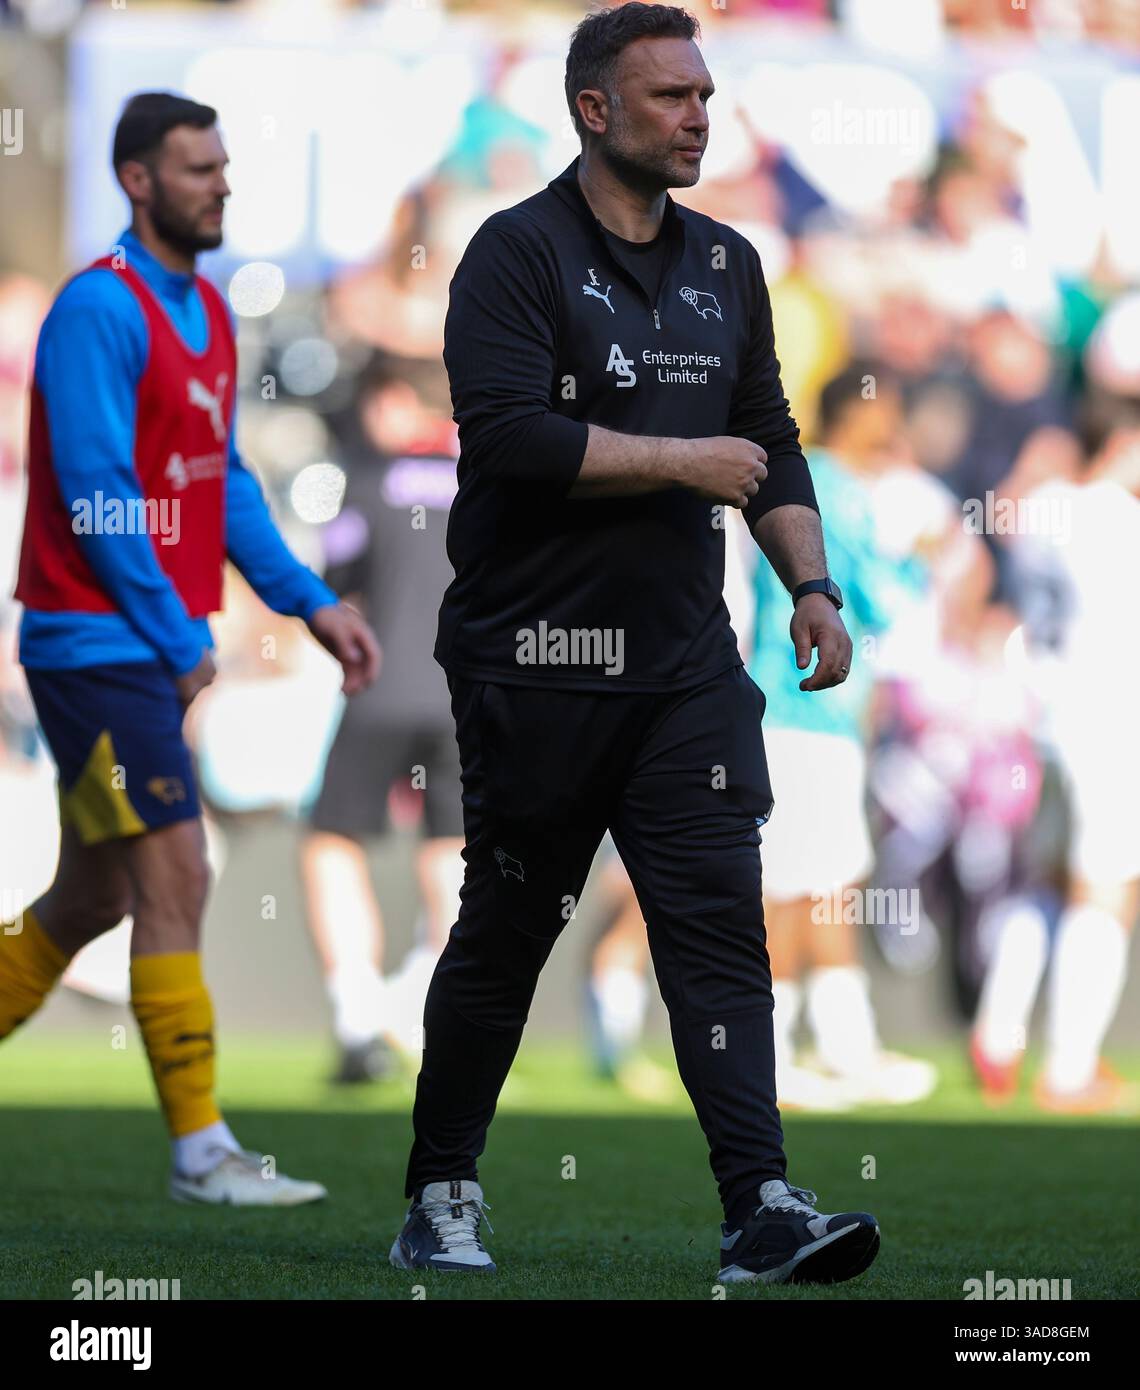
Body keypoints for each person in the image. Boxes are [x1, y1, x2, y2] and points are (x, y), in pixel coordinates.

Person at [390, 4, 879, 1285]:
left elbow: (768, 434)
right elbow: (508, 438)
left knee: (717, 926)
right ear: (593, 110)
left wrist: (812, 585)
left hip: (684, 666)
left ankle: (758, 1203)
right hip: (532, 660)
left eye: (705, 95)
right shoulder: (513, 254)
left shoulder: (728, 262)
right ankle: (441, 1186)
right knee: (509, 928)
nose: (698, 117)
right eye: (669, 97)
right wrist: (681, 459)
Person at [0, 92, 379, 1204]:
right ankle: (202, 1151)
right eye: (197, 167)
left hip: (139, 646)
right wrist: (176, 636)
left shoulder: (208, 312)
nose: (220, 183)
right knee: (179, 872)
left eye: (223, 165)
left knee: (90, 901)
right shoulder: (96, 311)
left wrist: (308, 600)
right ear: (136, 180)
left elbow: (224, 491)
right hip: (92, 650)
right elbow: (100, 491)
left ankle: (200, 1147)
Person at [751, 364, 937, 1110]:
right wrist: (920, 560)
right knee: (792, 883)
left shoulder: (832, 483)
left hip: (824, 715)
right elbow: (878, 594)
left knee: (830, 881)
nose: (893, 427)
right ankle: (772, 1056)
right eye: (884, 409)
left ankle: (842, 1044)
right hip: (799, 710)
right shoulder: (825, 483)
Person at [301, 356, 465, 1081]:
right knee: (454, 854)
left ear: (395, 401)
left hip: (381, 689)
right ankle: (429, 1005)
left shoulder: (363, 482)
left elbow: (332, 585)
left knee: (332, 843)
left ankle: (359, 1017)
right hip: (471, 700)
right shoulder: (498, 480)